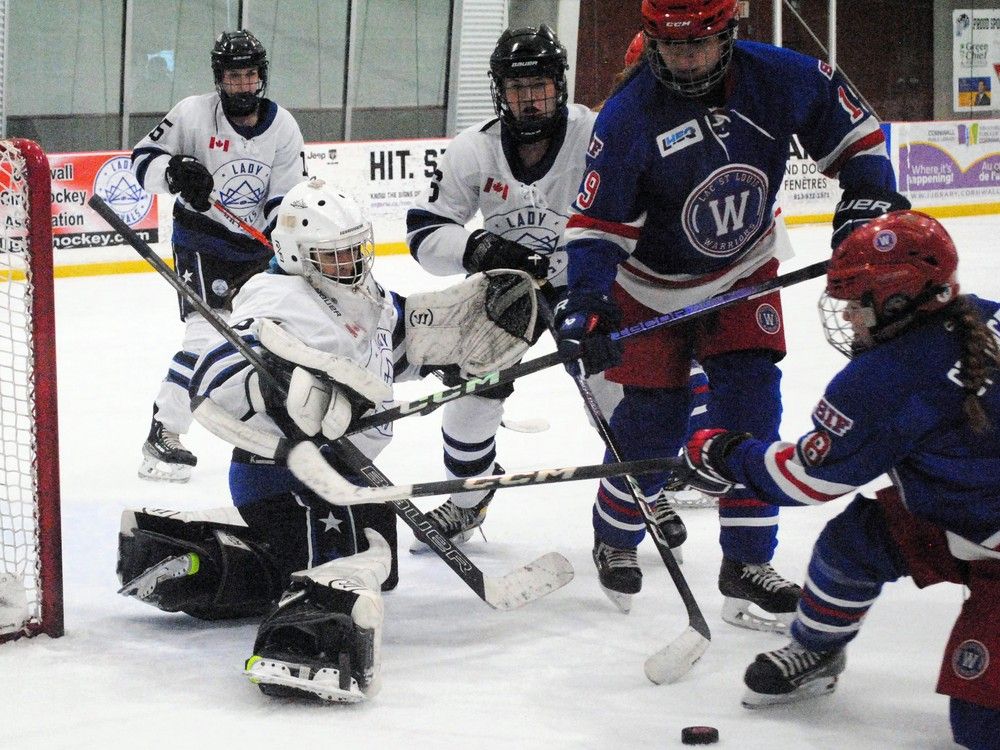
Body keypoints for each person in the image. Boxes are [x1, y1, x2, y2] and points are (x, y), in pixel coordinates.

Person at [116, 178, 539, 702]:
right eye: (336, 256)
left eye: (358, 249)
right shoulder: (276, 297)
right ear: (298, 256)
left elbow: (397, 343)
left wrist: (456, 348)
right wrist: (271, 383)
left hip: (344, 473)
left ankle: (215, 562)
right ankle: (306, 635)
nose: (353, 264)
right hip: (286, 476)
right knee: (359, 560)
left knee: (375, 558)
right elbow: (217, 370)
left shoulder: (364, 295)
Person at [556, 0, 911, 620]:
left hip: (743, 272)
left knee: (752, 404)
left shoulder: (782, 74)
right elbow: (594, 227)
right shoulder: (627, 116)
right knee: (653, 430)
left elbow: (857, 137)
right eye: (670, 44)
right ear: (650, 38)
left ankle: (747, 560)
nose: (684, 58)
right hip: (651, 288)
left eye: (699, 43)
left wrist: (869, 195)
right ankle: (615, 537)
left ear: (729, 34)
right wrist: (586, 301)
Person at [681, 210, 1000, 749]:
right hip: (972, 520)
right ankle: (819, 650)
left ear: (898, 299)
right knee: (857, 542)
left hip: (984, 532)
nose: (849, 317)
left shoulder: (887, 380)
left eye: (859, 302)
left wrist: (725, 452)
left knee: (981, 730)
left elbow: (808, 479)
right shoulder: (982, 315)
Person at [404, 25, 683, 549]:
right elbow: (423, 230)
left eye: (540, 86)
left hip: (588, 283)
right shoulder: (474, 148)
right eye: (516, 88)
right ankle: (468, 499)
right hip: (509, 291)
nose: (529, 99)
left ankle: (642, 488)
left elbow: (643, 205)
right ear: (499, 91)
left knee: (614, 390)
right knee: (469, 401)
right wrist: (480, 249)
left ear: (559, 84)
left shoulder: (597, 132)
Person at [130, 29, 306, 482]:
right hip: (202, 240)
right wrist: (175, 171)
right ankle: (164, 432)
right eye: (233, 77)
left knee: (276, 335)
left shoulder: (283, 126)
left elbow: (284, 196)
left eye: (250, 76)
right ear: (219, 78)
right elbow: (141, 160)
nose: (242, 86)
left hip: (255, 249)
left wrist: (277, 237)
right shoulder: (192, 113)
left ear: (261, 77)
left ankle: (276, 426)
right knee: (204, 338)